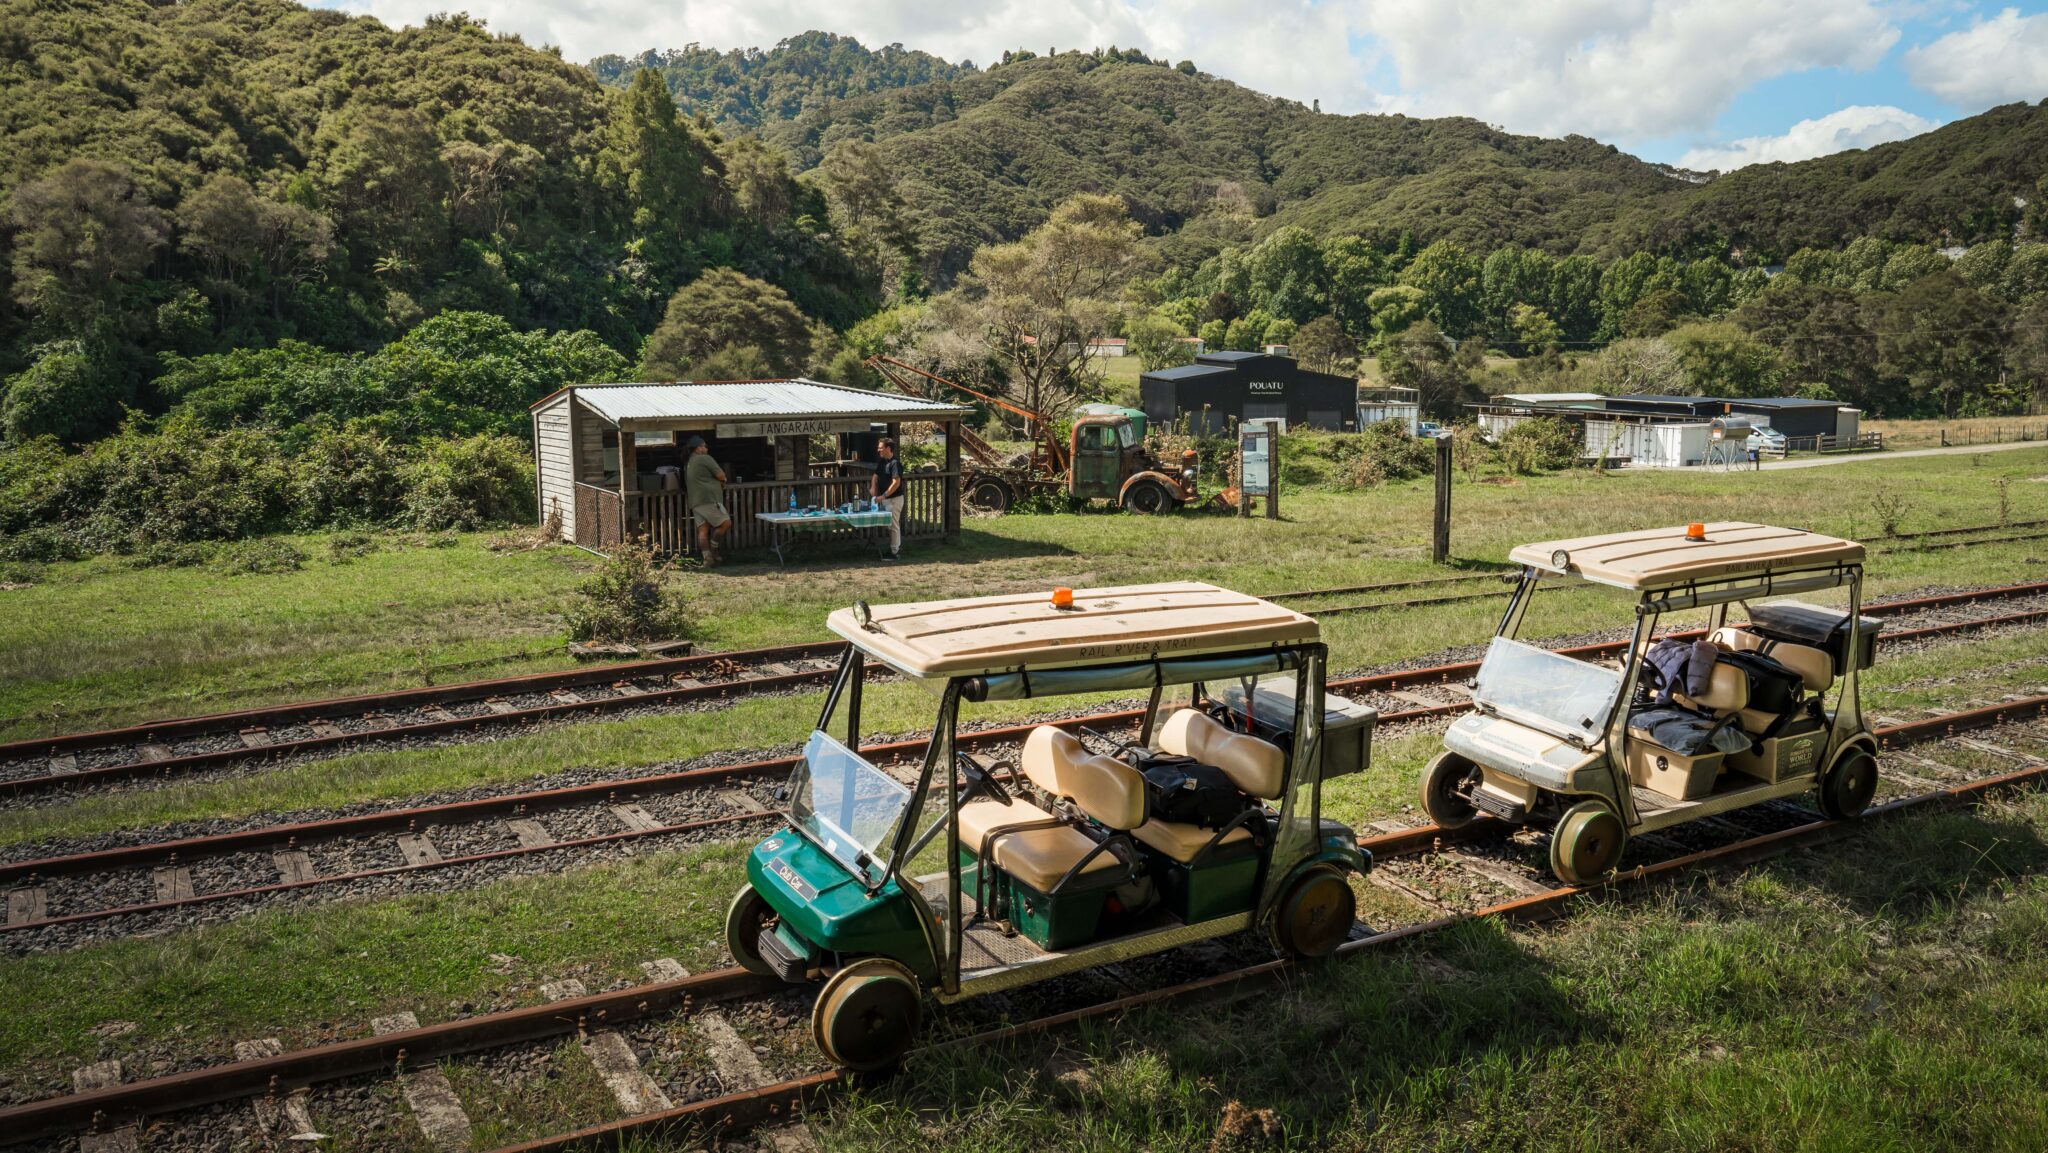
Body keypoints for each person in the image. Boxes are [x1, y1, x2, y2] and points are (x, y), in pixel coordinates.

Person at [683, 435, 731, 565]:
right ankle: (714, 548)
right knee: (726, 523)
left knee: (703, 531)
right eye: (704, 446)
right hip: (708, 499)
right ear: (697, 448)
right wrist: (723, 481)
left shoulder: (688, 462)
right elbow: (721, 475)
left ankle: (707, 558)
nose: (706, 448)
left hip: (695, 502)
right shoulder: (705, 458)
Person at [872, 436, 905, 560]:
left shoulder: (895, 463)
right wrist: (873, 488)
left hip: (894, 500)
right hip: (885, 500)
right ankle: (893, 549)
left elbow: (896, 483)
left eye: (880, 448)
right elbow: (875, 476)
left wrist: (883, 496)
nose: (878, 450)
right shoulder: (882, 461)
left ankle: (894, 553)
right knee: (889, 525)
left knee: (893, 525)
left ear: (888, 449)